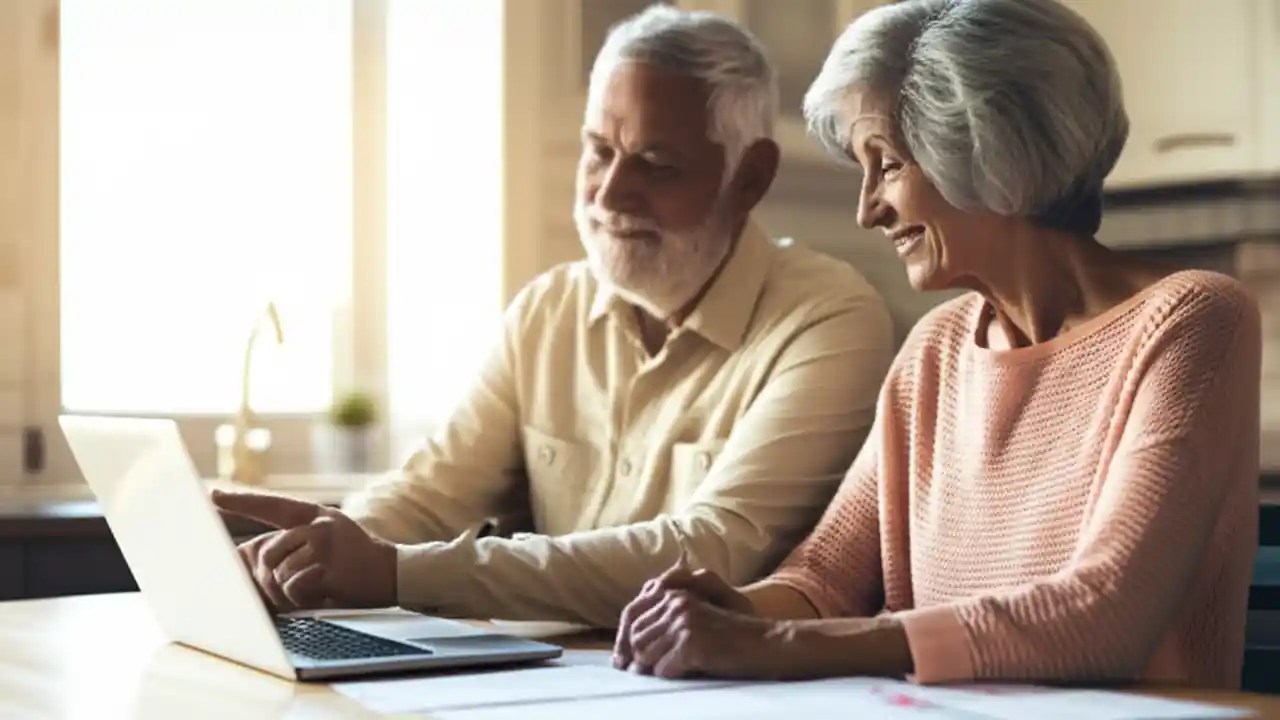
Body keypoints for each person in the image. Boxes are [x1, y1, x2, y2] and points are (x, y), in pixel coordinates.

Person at [613, 0, 1261, 688]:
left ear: (990, 149)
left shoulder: (1193, 320)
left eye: (886, 165)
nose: (866, 209)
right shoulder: (937, 348)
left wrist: (773, 642)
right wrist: (731, 610)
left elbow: (1103, 614)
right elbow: (825, 578)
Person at [213, 6, 893, 628]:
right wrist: (306, 557)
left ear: (750, 178)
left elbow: (713, 548)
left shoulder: (829, 318)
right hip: (535, 681)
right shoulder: (547, 309)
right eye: (598, 151)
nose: (610, 192)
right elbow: (430, 496)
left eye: (656, 165)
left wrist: (391, 572)